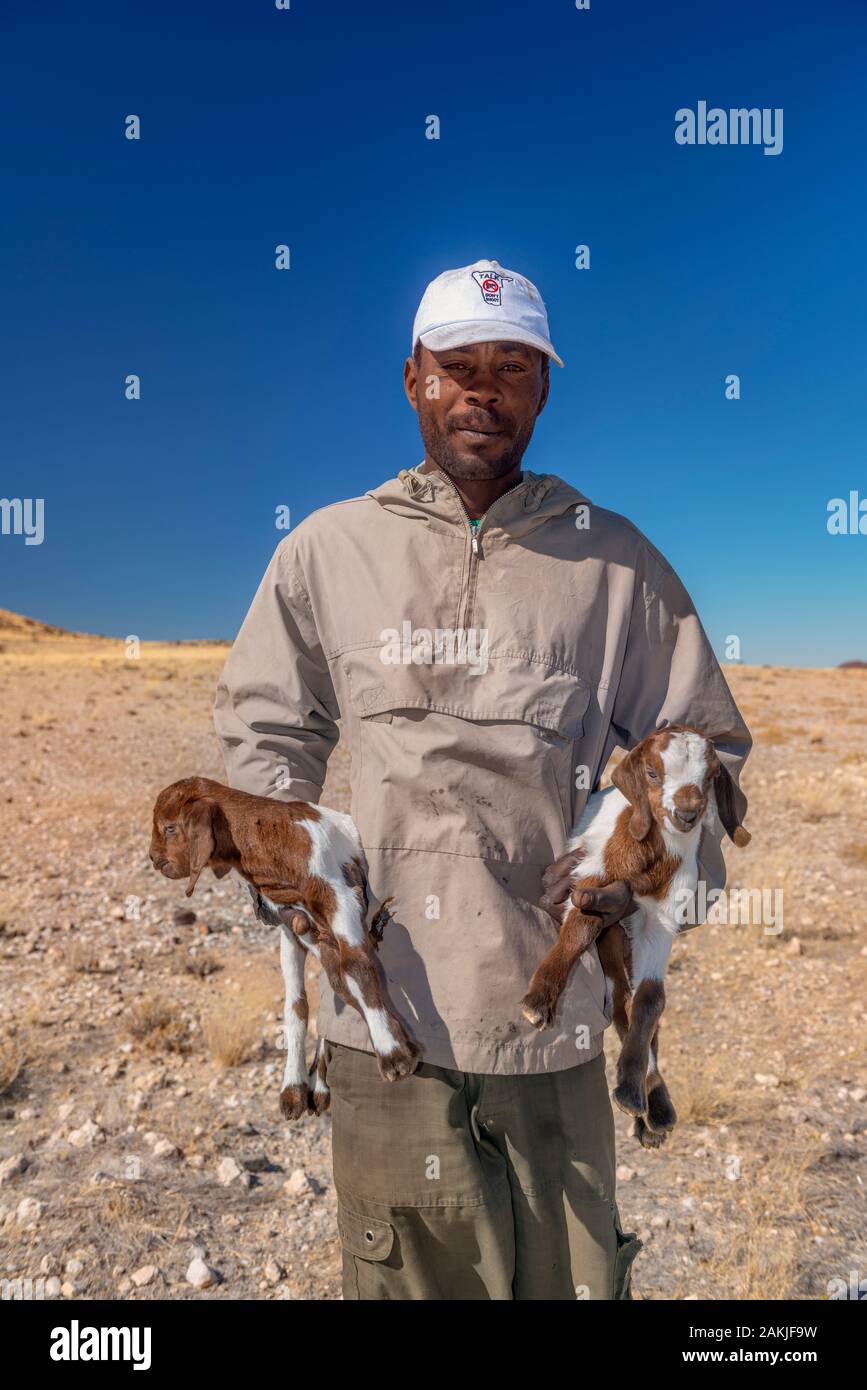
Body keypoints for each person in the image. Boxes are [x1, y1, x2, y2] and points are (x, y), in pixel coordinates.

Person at [214, 257, 751, 1300]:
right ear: (412, 375)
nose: (484, 388)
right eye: (459, 364)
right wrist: (289, 865)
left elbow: (706, 750)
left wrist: (632, 861)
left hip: (550, 1027)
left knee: (569, 1282)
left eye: (513, 367)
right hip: (384, 1020)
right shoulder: (328, 551)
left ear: (544, 389)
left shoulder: (615, 565)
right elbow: (263, 729)